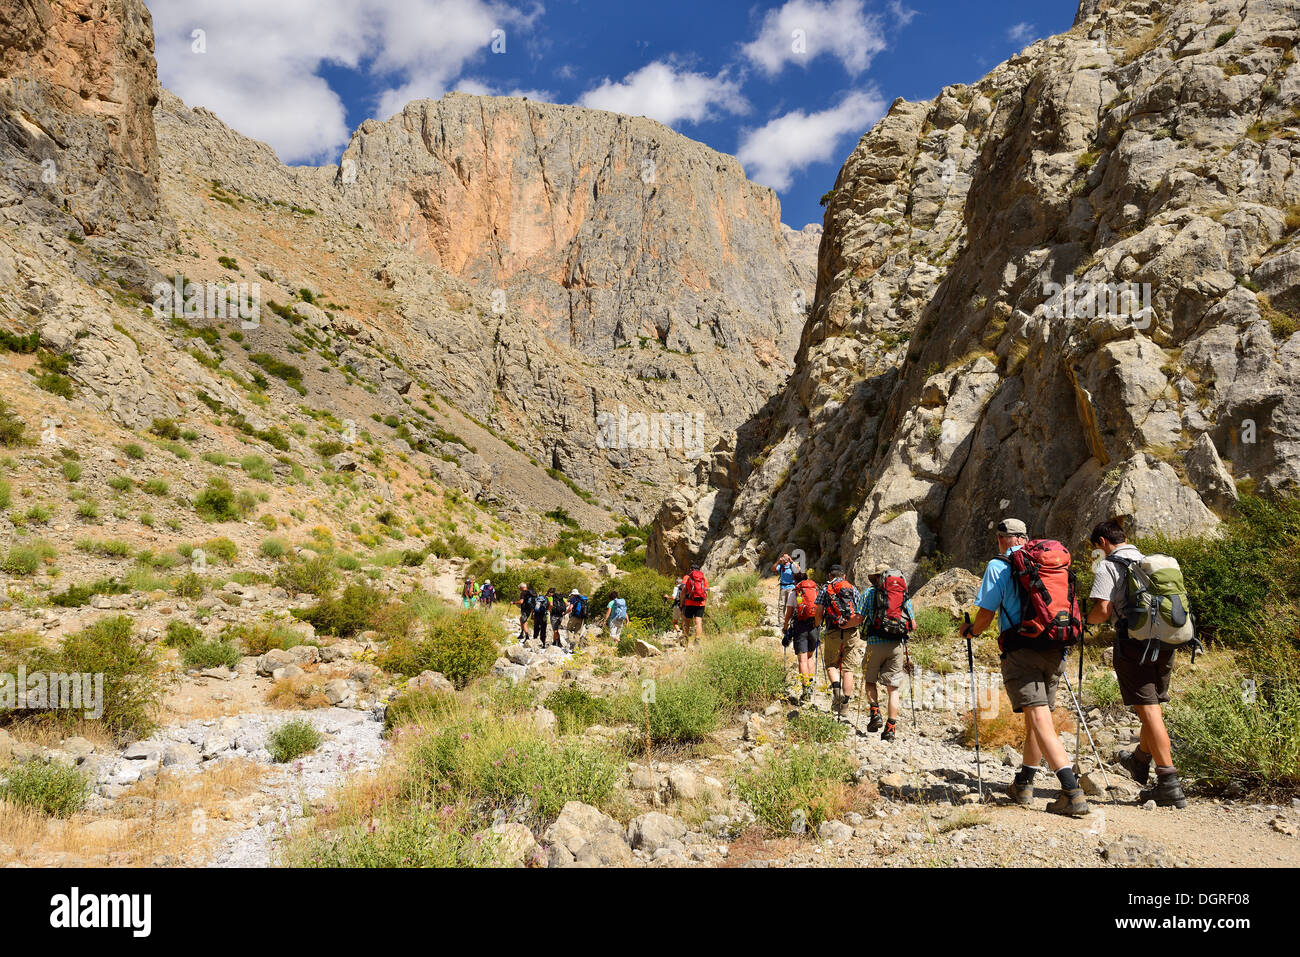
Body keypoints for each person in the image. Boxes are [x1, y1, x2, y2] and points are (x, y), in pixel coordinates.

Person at [960, 518, 1089, 817]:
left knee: (1040, 720)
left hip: (1022, 649)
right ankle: (1025, 783)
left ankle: (1071, 791)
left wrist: (972, 632)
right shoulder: (1049, 564)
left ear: (1002, 539)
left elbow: (986, 615)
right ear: (1025, 538)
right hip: (1056, 647)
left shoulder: (998, 566)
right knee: (1037, 717)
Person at [1086, 519, 1186, 808]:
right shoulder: (1149, 561)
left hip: (1134, 644)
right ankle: (1140, 761)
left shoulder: (1108, 565)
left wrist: (1083, 621)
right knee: (1152, 707)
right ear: (1125, 537)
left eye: (1097, 548)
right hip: (1167, 642)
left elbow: (1102, 611)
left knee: (1149, 711)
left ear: (1103, 542)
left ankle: (1169, 782)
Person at [859, 565, 915, 742]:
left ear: (876, 577)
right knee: (893, 689)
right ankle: (890, 729)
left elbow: (859, 618)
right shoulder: (902, 594)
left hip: (875, 643)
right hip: (897, 645)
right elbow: (913, 624)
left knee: (869, 681)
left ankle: (875, 713)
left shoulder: (869, 593)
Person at [815, 564, 864, 716]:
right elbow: (859, 611)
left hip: (833, 632)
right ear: (844, 576)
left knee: (831, 665)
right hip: (851, 632)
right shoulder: (853, 589)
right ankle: (845, 704)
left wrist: (817, 625)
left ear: (830, 576)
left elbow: (819, 611)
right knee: (848, 669)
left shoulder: (825, 589)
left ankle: (837, 693)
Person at [782, 570, 820, 703]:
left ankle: (805, 689)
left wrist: (785, 627)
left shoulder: (795, 592)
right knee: (810, 656)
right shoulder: (815, 590)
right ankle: (811, 683)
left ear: (795, 581)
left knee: (802, 659)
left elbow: (789, 612)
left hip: (800, 626)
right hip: (814, 626)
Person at [681, 562, 708, 645]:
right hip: (701, 603)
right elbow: (706, 592)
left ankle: (685, 639)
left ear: (691, 570)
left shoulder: (687, 577)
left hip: (689, 603)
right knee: (698, 622)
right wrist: (704, 602)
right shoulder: (703, 578)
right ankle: (697, 640)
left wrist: (681, 603)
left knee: (687, 622)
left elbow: (683, 591)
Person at [772, 552, 801, 621]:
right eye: (784, 557)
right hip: (783, 587)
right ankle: (781, 621)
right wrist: (778, 561)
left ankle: (791, 621)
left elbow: (799, 569)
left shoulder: (791, 565)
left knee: (791, 605)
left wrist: (792, 561)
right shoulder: (781, 566)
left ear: (788, 558)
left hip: (791, 587)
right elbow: (773, 569)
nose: (785, 559)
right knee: (781, 605)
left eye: (786, 557)